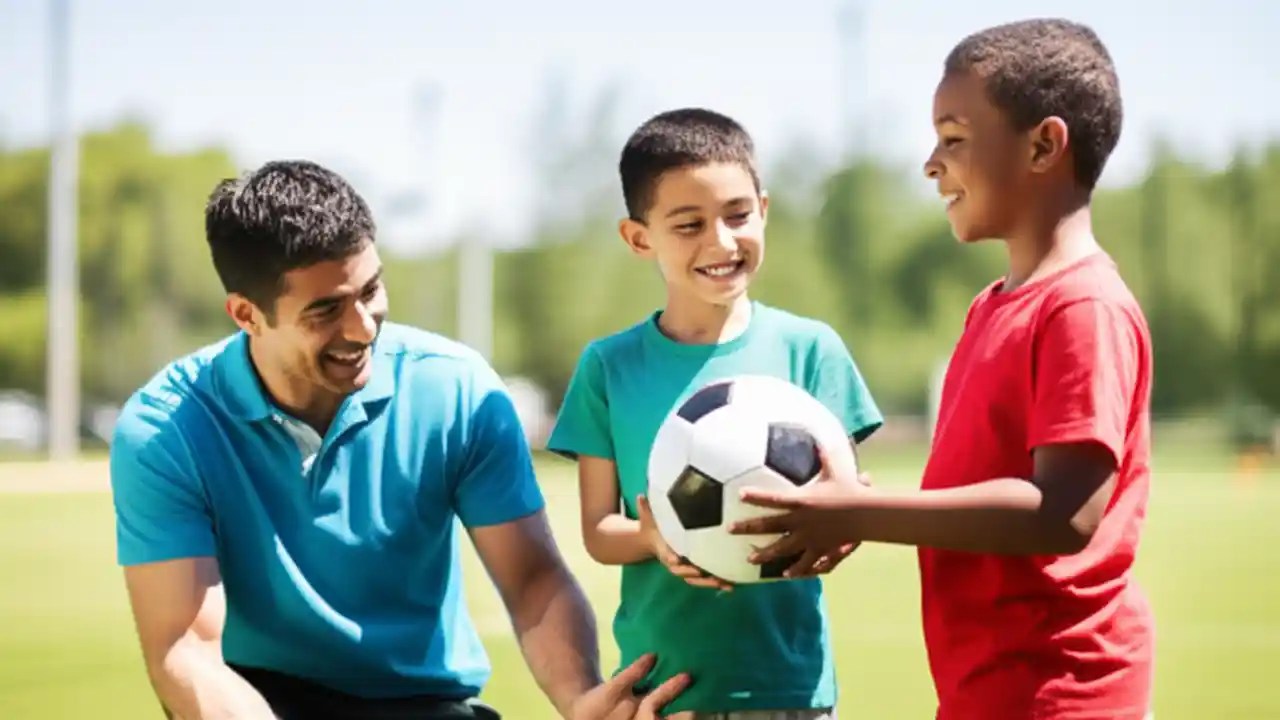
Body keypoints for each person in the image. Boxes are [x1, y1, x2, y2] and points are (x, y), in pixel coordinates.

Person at [108, 159, 690, 720]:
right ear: (246, 314)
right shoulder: (167, 428)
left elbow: (532, 580)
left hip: (425, 704)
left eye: (370, 289)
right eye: (326, 310)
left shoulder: (456, 389)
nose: (362, 326)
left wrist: (579, 699)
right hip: (259, 699)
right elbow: (185, 650)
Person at [729, 18, 1155, 720]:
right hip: (986, 688)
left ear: (1045, 144)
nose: (931, 163)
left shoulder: (1083, 307)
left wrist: (860, 511)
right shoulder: (995, 304)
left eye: (954, 139)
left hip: (1061, 693)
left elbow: (1065, 513)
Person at [545, 108, 884, 720]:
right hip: (662, 694)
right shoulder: (609, 367)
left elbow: (847, 499)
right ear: (638, 237)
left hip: (791, 688)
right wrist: (656, 535)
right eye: (688, 224)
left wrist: (840, 527)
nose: (721, 242)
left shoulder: (811, 350)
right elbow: (598, 530)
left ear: (764, 209)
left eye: (737, 215)